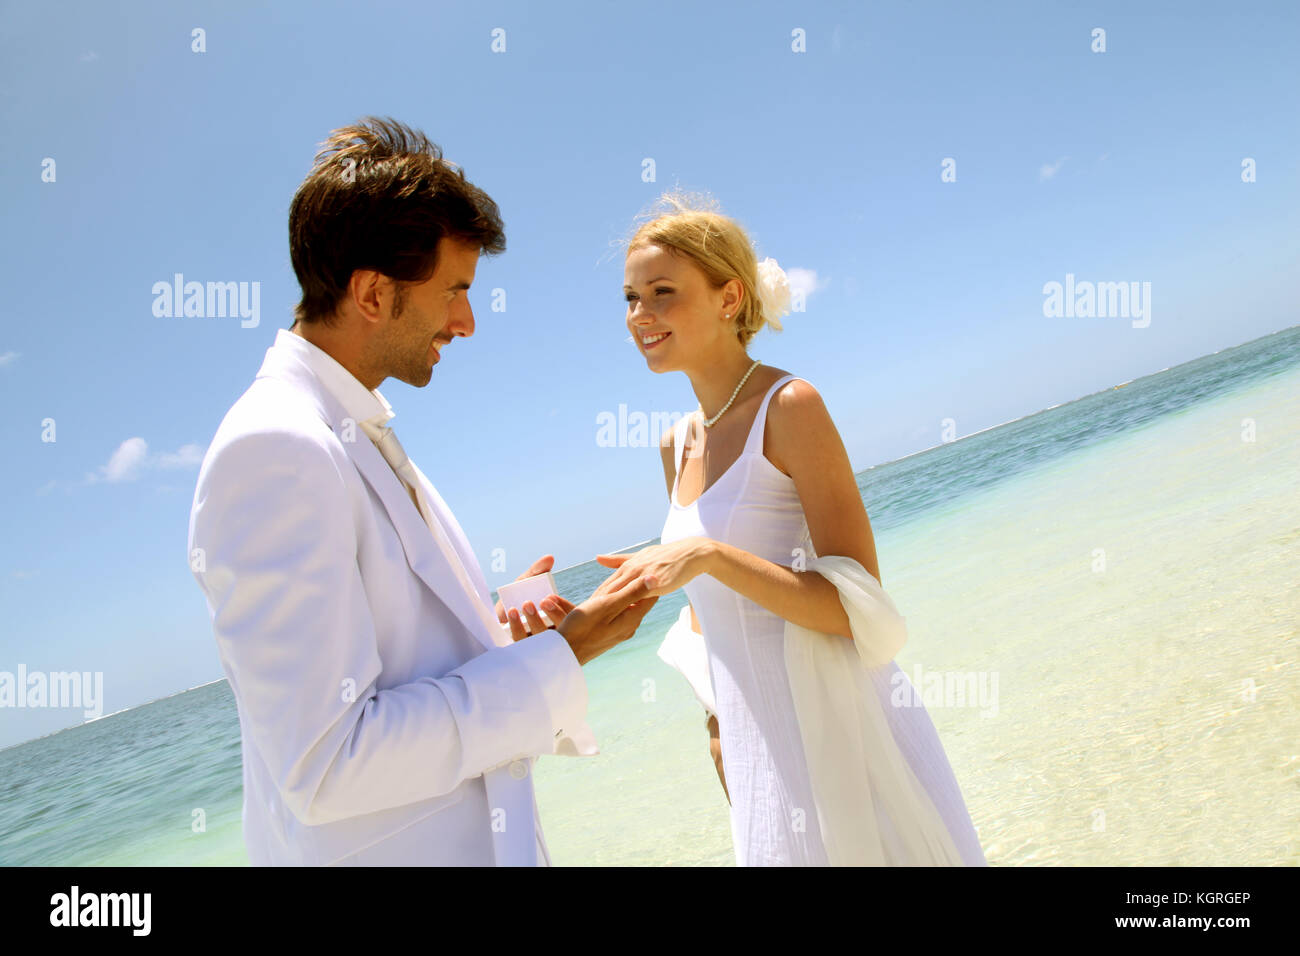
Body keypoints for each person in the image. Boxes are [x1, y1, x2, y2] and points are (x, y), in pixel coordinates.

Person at [187, 117, 657, 866]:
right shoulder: (275, 448)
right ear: (373, 292)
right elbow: (326, 767)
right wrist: (563, 653)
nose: (466, 323)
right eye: (454, 291)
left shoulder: (348, 428)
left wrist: (490, 633)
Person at [597, 191, 987, 866]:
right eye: (631, 298)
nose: (640, 315)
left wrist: (710, 555)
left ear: (729, 297)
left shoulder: (790, 405)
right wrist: (717, 727)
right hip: (759, 751)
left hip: (847, 736)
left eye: (662, 292)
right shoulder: (674, 445)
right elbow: (707, 624)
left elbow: (858, 606)